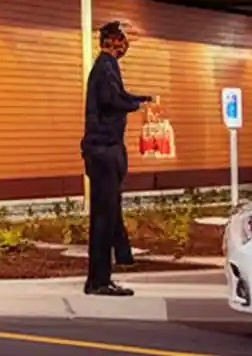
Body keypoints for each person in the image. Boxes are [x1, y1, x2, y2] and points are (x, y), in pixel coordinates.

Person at [81, 20, 152, 296]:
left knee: (110, 213)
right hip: (103, 149)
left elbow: (120, 95)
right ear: (111, 41)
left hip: (107, 148)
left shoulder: (108, 66)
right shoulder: (105, 66)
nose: (125, 46)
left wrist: (143, 100)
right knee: (103, 216)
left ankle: (114, 265)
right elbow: (113, 99)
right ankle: (98, 281)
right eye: (122, 40)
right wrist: (137, 105)